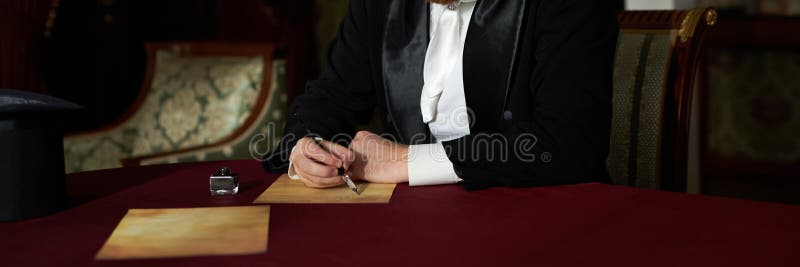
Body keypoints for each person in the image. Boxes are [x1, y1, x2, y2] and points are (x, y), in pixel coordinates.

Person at [262, 0, 619, 190]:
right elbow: (330, 95)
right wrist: (306, 146)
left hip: (545, 221)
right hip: (412, 227)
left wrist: (406, 161)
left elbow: (570, 144)